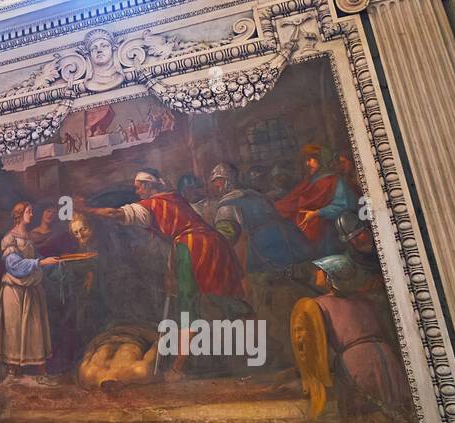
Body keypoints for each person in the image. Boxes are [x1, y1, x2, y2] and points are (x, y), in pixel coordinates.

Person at [83, 169, 247, 379]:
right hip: (214, 244)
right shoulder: (174, 199)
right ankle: (256, 345)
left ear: (149, 185)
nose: (137, 189)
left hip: (192, 248)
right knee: (223, 296)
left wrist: (86, 210)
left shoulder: (153, 205)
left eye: (139, 185)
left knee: (187, 307)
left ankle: (178, 367)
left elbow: (116, 214)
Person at [210, 162, 314, 367]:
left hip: (264, 257)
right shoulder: (257, 196)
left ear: (227, 180)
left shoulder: (227, 205)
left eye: (218, 181)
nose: (215, 186)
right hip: (293, 248)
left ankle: (291, 360)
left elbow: (225, 237)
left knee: (269, 308)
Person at [290, 255, 410, 422]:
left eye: (320, 270)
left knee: (362, 414)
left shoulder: (317, 304)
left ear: (329, 277)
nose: (315, 273)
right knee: (391, 410)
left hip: (357, 361)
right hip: (386, 356)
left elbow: (315, 342)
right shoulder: (367, 301)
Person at [0, 202, 60, 385]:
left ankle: (41, 372)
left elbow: (33, 259)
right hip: (13, 290)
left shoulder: (27, 237)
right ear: (19, 215)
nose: (32, 214)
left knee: (36, 330)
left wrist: (51, 261)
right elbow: (15, 267)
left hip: (31, 288)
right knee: (13, 330)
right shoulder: (9, 238)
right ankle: (12, 372)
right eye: (29, 211)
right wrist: (40, 264)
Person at [275, 144, 357, 257]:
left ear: (321, 159)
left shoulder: (334, 180)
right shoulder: (308, 181)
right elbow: (292, 200)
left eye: (310, 159)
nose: (307, 164)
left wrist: (317, 213)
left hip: (327, 232)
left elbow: (346, 205)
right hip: (304, 230)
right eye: (306, 161)